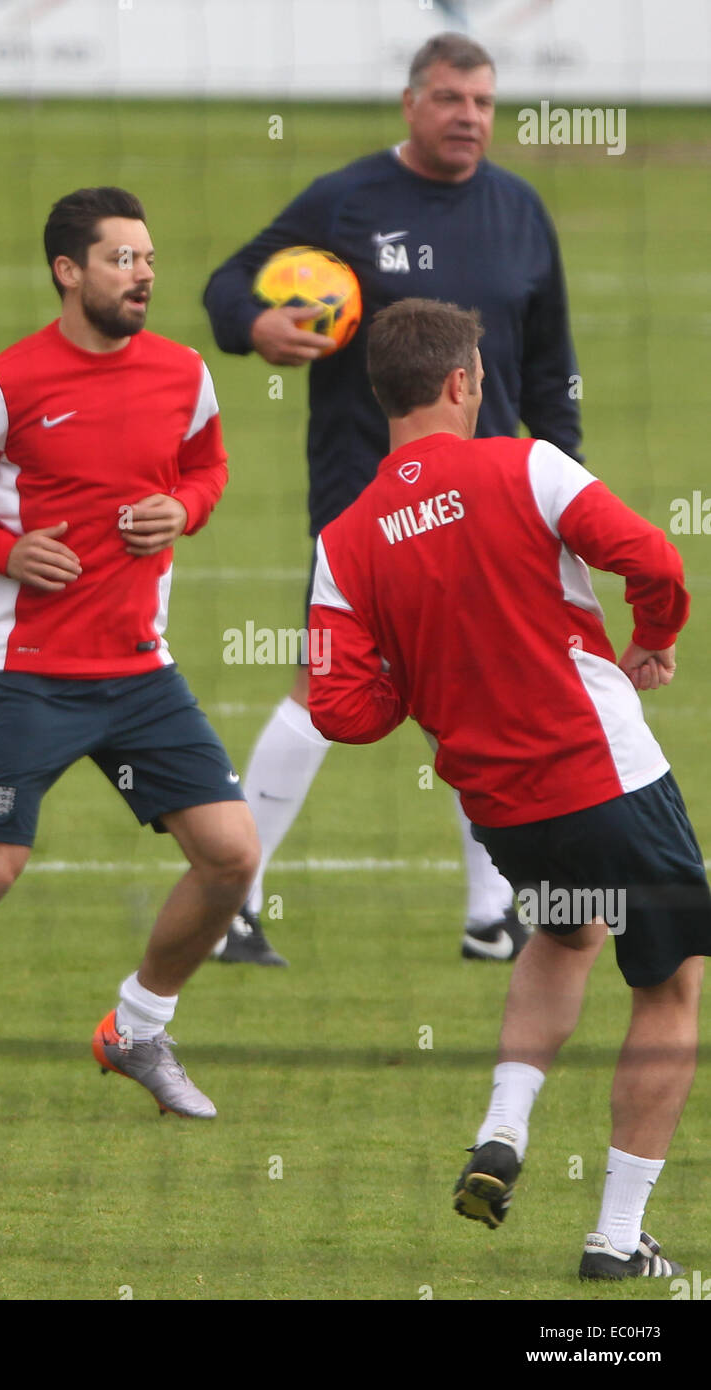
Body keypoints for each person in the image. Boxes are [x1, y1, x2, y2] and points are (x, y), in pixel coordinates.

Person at [306, 295, 710, 1279]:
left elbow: (337, 707)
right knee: (670, 987)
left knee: (569, 930)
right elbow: (651, 557)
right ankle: (617, 1238)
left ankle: (503, 1128)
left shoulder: (344, 537)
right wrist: (652, 637)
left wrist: (421, 679)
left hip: (504, 810)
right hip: (606, 777)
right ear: (460, 383)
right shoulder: (526, 463)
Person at [0, 186, 259, 1128]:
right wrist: (2, 550)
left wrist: (185, 509)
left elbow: (209, 467)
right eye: (123, 259)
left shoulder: (185, 373)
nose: (143, 274)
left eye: (149, 259)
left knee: (232, 856)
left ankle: (139, 1029)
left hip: (142, 672)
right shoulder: (5, 384)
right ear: (69, 271)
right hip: (32, 674)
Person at [204, 31, 582, 966]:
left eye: (485, 102)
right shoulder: (346, 201)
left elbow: (549, 371)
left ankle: (491, 916)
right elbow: (224, 284)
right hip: (366, 500)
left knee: (488, 696)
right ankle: (232, 903)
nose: (470, 118)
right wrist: (256, 325)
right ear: (412, 103)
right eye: (452, 98)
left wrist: (564, 489)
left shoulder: (521, 212)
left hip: (489, 505)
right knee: (323, 684)